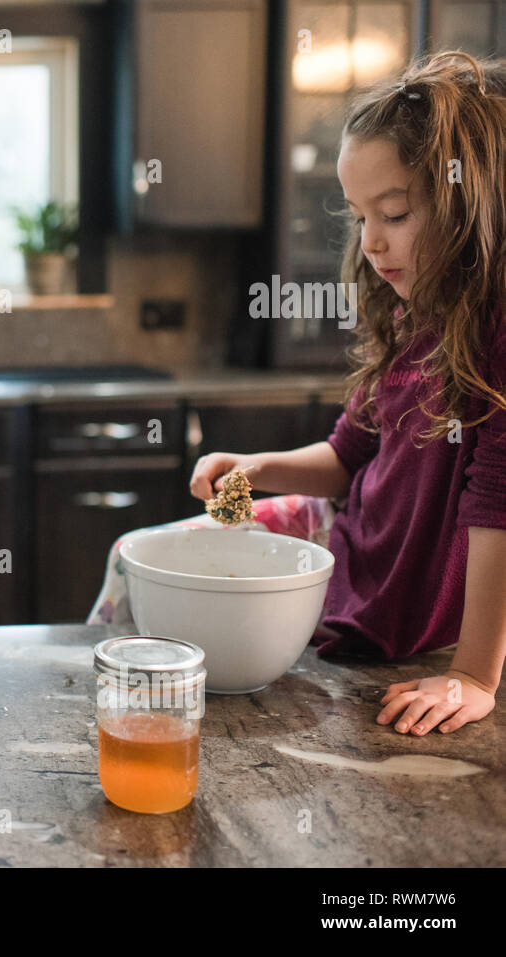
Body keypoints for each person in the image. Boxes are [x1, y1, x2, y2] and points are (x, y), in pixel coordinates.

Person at [190, 52, 506, 736]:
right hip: (345, 536)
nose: (370, 243)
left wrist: (476, 673)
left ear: (466, 197)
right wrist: (254, 467)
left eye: (392, 213)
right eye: (361, 217)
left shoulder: (496, 324)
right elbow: (348, 455)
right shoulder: (404, 311)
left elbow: (498, 499)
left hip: (410, 597)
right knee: (152, 563)